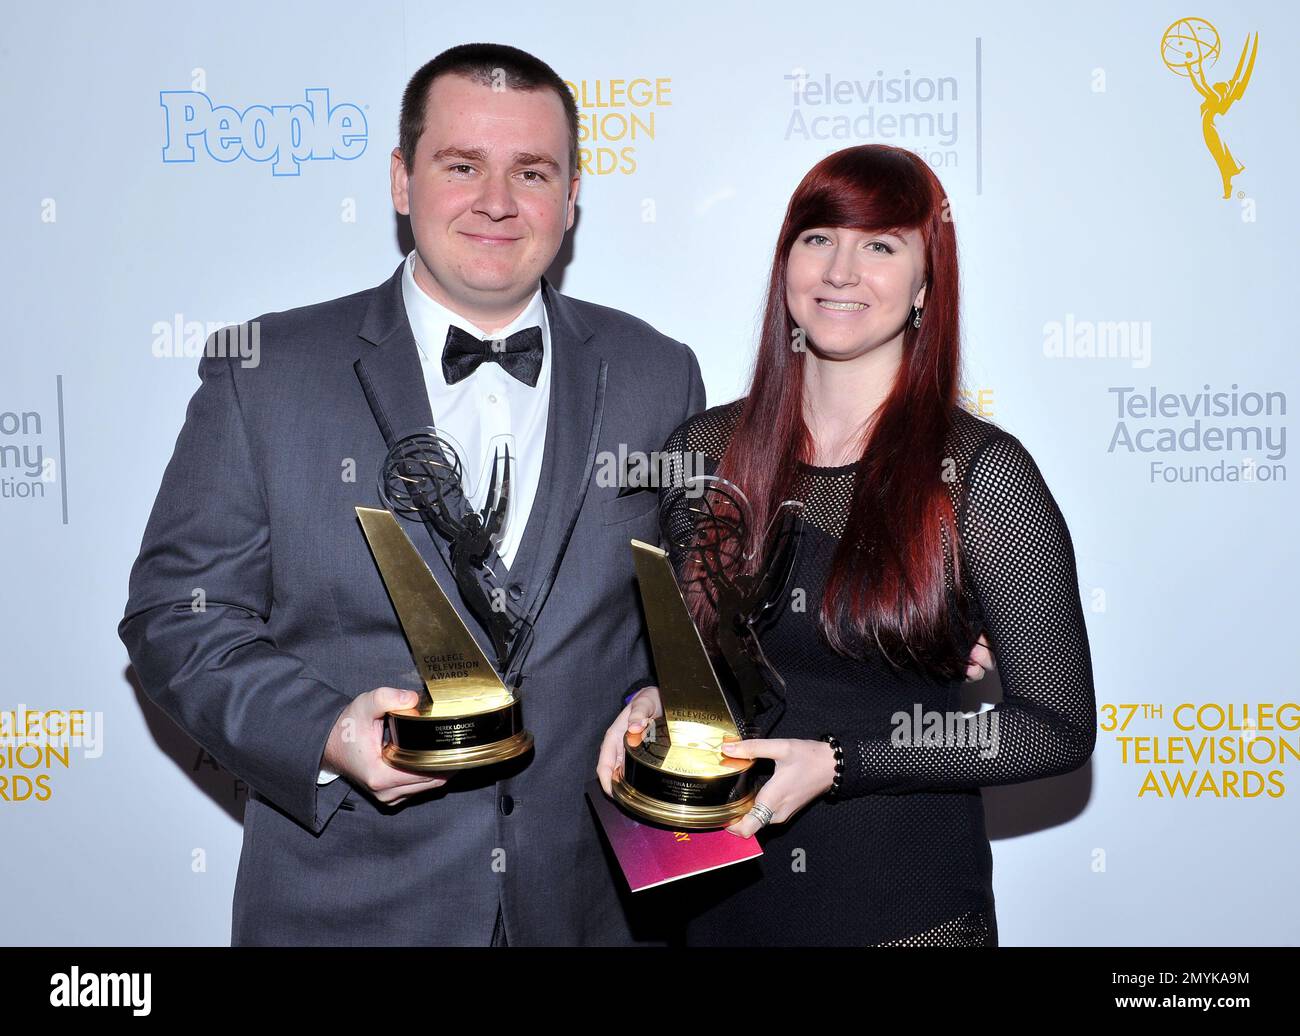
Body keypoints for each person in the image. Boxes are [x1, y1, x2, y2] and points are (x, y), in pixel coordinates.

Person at [119, 43, 708, 946]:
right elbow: (176, 617)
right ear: (402, 181)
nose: (497, 201)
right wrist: (325, 732)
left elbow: (693, 611)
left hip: (593, 912)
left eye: (532, 171)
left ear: (572, 196)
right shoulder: (266, 374)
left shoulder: (656, 375)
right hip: (348, 909)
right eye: (461, 165)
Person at [597, 143, 1097, 946]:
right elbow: (712, 672)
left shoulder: (978, 474)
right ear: (786, 262)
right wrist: (658, 702)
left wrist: (840, 761)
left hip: (903, 912)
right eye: (819, 237)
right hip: (721, 902)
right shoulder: (701, 452)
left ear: (926, 284)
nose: (841, 270)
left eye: (880, 245)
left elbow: (1056, 726)